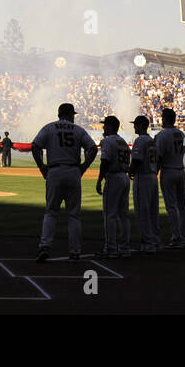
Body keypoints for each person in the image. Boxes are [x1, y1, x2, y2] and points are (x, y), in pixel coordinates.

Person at [30, 102, 97, 262]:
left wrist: (42, 167)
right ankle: (75, 251)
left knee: (51, 211)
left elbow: (35, 146)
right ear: (69, 114)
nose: (74, 117)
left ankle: (45, 246)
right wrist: (83, 168)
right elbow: (93, 149)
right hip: (73, 171)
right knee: (74, 214)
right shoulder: (79, 130)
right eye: (73, 114)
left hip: (54, 170)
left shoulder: (49, 127)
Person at [155, 109, 185, 247]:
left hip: (169, 170)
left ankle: (177, 237)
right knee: (182, 205)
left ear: (164, 119)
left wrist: (155, 171)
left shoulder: (163, 135)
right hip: (180, 170)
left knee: (171, 206)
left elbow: (158, 156)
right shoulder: (181, 133)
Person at [95, 115, 131, 258]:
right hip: (124, 177)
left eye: (105, 125)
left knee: (110, 215)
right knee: (123, 215)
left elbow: (105, 161)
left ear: (110, 126)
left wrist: (99, 181)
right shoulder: (122, 141)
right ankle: (124, 247)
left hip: (114, 177)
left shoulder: (108, 141)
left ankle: (110, 248)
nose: (103, 127)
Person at [129, 116, 161, 252]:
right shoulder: (152, 141)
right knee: (153, 211)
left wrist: (130, 172)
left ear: (141, 125)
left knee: (142, 211)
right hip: (153, 176)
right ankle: (156, 241)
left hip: (143, 176)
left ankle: (148, 243)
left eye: (136, 124)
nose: (134, 127)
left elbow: (136, 160)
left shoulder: (140, 140)